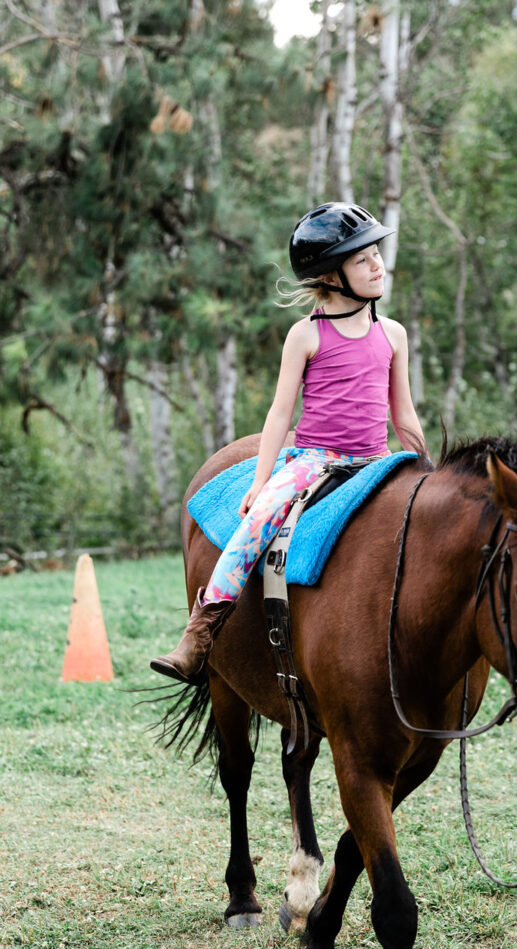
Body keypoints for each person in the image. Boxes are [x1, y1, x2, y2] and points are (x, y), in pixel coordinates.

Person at [151, 201, 426, 684]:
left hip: (376, 460)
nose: (377, 264)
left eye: (376, 254)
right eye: (362, 259)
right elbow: (280, 414)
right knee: (255, 526)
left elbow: (402, 413)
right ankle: (201, 630)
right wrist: (260, 481)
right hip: (315, 459)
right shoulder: (306, 336)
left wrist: (426, 465)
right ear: (330, 274)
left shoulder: (394, 334)